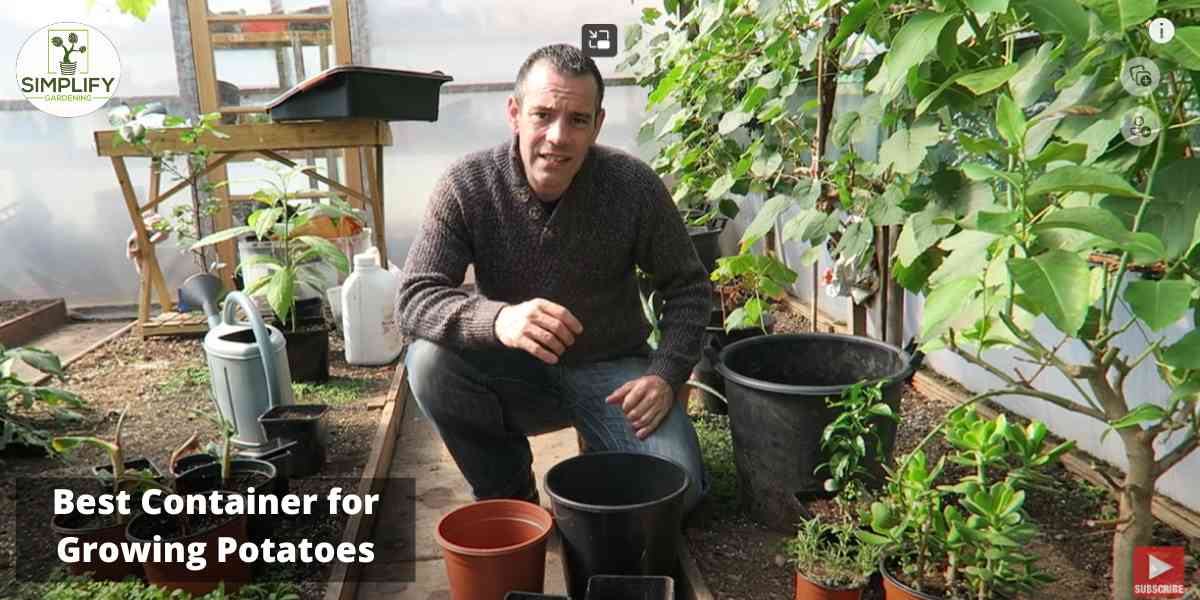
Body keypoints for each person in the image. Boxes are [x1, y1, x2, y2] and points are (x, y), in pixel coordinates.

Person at [397, 44, 710, 512]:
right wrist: (498, 319)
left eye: (578, 120)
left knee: (677, 494)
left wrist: (665, 375)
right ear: (514, 113)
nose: (558, 137)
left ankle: (602, 456)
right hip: (510, 370)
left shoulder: (633, 187)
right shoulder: (467, 186)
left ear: (597, 125)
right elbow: (415, 298)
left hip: (613, 374)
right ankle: (508, 490)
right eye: (542, 115)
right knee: (428, 364)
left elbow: (688, 288)